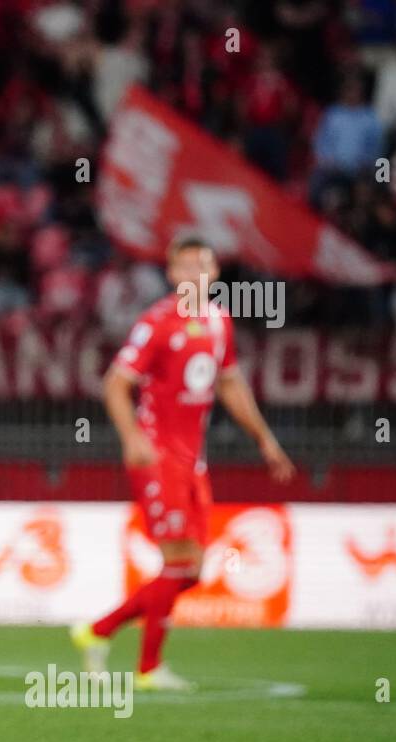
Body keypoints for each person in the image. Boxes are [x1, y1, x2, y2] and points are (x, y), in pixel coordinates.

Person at [71, 237, 294, 690]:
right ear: (172, 274)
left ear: (215, 274)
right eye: (186, 266)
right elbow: (115, 383)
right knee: (179, 561)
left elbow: (230, 384)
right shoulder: (156, 321)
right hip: (157, 455)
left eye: (204, 265)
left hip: (193, 460)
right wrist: (132, 438)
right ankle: (148, 669)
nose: (196, 273)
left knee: (189, 571)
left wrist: (265, 440)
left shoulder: (218, 321)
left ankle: (99, 629)